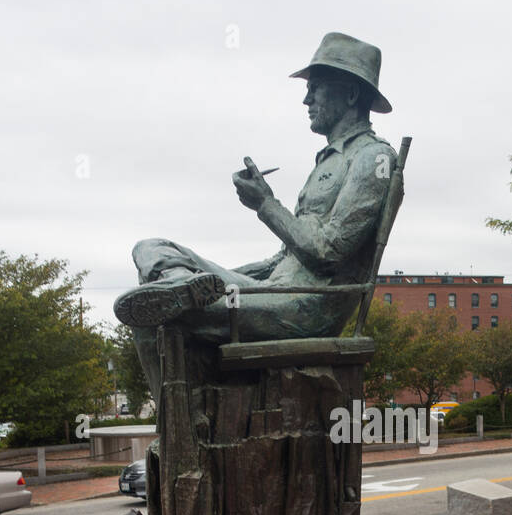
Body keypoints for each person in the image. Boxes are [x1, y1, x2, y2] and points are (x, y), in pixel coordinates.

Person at [114, 32, 399, 396]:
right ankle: (181, 284)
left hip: (307, 308)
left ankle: (174, 439)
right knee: (150, 246)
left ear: (351, 94)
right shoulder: (330, 160)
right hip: (273, 288)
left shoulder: (374, 159)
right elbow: (284, 259)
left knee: (153, 315)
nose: (306, 99)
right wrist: (212, 275)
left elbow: (328, 253)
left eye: (317, 88)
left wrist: (266, 204)